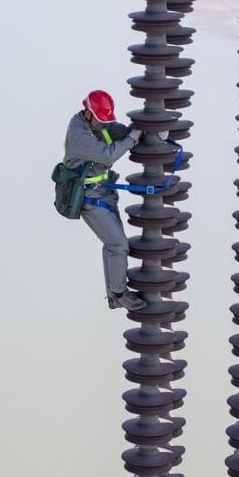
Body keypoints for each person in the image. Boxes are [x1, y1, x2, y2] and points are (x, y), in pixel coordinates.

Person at [63, 90, 165, 311]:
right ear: (88, 113)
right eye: (100, 119)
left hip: (103, 193)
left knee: (112, 245)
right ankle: (119, 294)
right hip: (89, 197)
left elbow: (123, 133)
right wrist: (132, 137)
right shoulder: (78, 134)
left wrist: (150, 131)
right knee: (117, 245)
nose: (103, 123)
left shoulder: (99, 124)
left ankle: (113, 295)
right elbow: (108, 154)